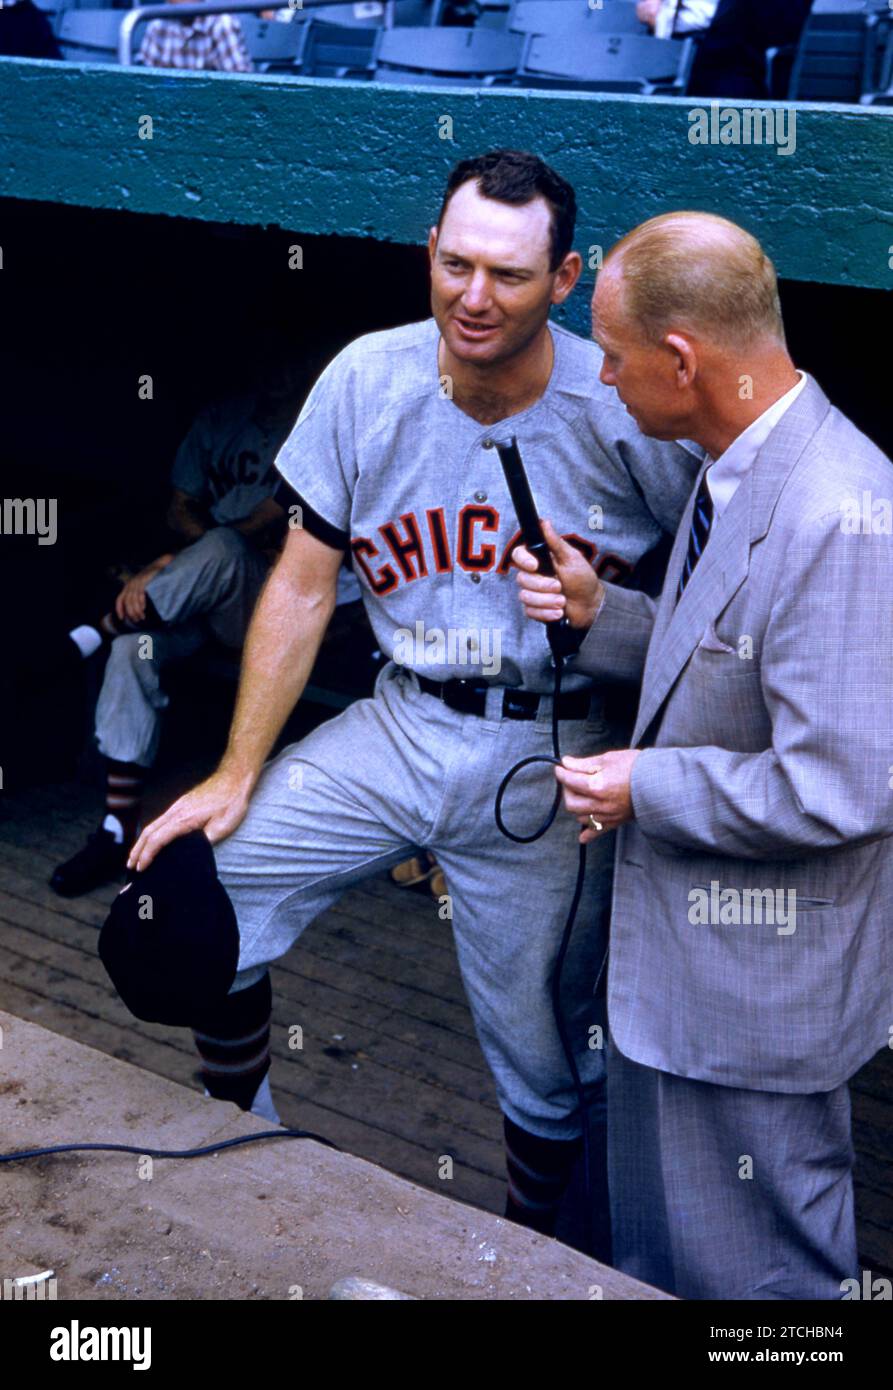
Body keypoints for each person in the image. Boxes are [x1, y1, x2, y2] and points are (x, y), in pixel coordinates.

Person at [125, 149, 703, 1242]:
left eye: (509, 276)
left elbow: (719, 609)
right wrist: (235, 771)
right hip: (397, 721)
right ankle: (248, 1130)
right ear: (426, 252)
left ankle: (543, 1261)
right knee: (177, 918)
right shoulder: (365, 377)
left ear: (566, 277)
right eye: (454, 264)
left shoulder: (622, 402)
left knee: (546, 1065)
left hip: (549, 749)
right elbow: (300, 587)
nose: (473, 297)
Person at [514, 210, 893, 1297]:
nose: (603, 384)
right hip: (694, 987)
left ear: (681, 361)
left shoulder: (839, 511)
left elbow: (842, 782)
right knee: (681, 1259)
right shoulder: (736, 468)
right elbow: (724, 660)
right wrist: (601, 613)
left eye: (615, 360)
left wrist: (645, 783)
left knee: (765, 1280)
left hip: (756, 1004)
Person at [49, 361, 321, 897]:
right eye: (268, 359)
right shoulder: (221, 420)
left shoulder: (313, 425)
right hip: (193, 600)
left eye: (288, 363)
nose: (276, 374)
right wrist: (182, 558)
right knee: (133, 648)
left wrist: (176, 561)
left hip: (265, 606)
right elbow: (179, 507)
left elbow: (268, 520)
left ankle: (93, 631)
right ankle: (116, 828)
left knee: (226, 548)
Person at [137, 0, 254, 72]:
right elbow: (144, 83)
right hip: (167, 105)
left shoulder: (222, 24)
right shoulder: (157, 24)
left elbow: (240, 88)